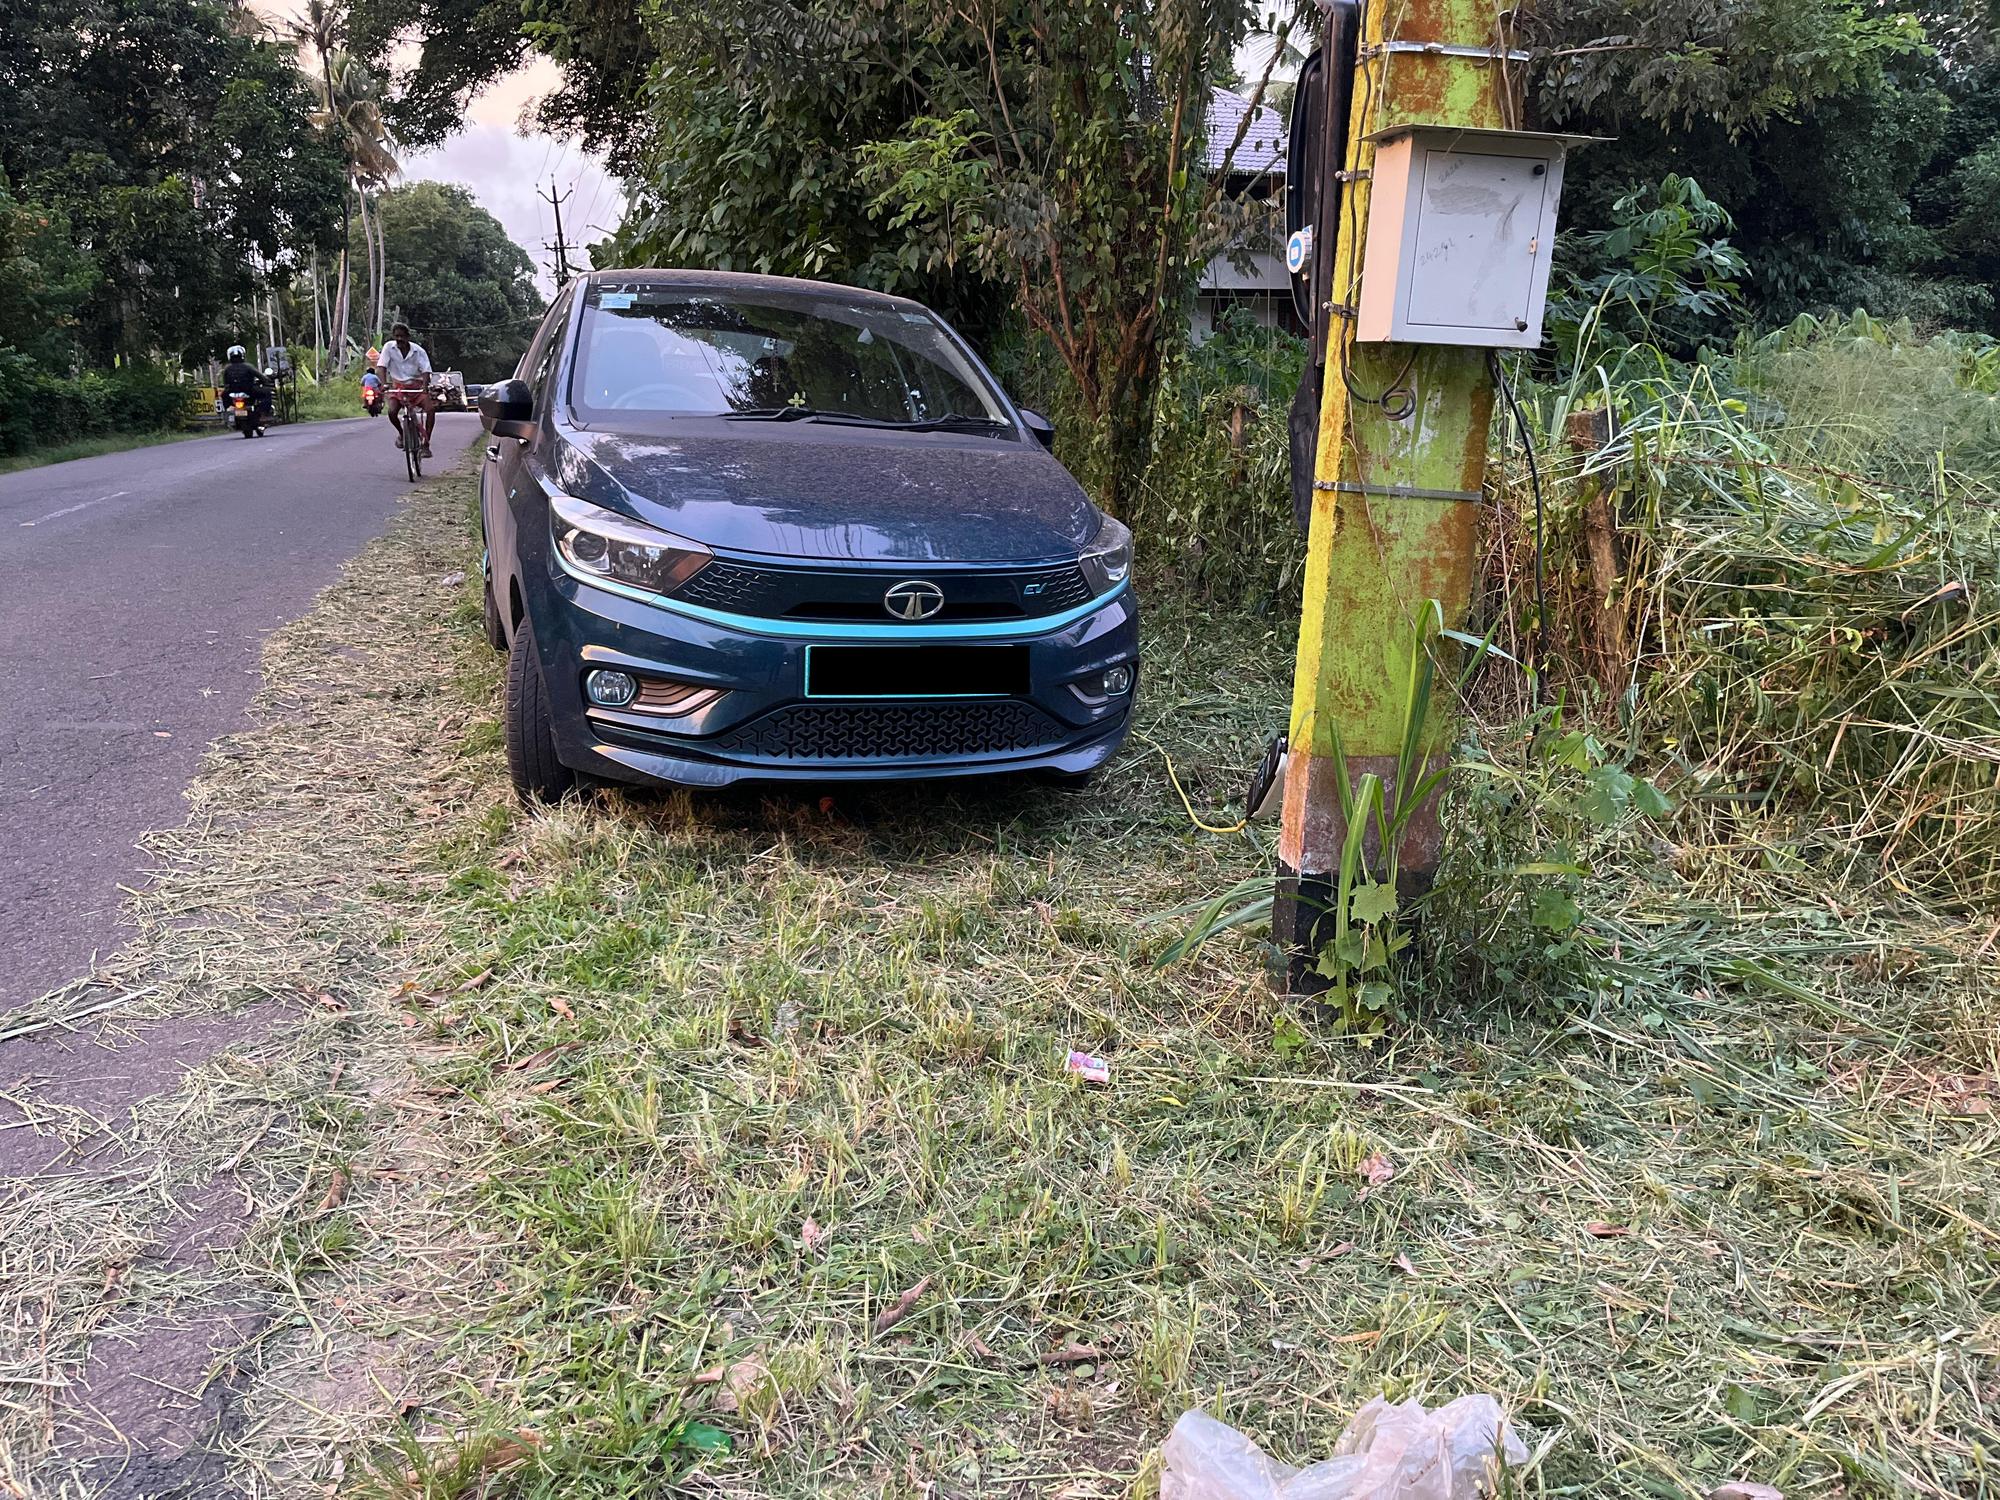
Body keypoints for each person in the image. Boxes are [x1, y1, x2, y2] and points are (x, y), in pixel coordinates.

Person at [377, 323, 436, 458]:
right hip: (398, 387)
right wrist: (384, 384)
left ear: (408, 337)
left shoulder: (418, 351)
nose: (399, 339)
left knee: (430, 410)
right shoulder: (388, 347)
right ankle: (402, 434)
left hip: (416, 386)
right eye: (396, 336)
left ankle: (426, 444)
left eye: (402, 336)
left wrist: (425, 386)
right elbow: (381, 367)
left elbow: (426, 370)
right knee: (392, 412)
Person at [220, 344, 266, 434]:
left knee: (224, 395)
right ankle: (263, 413)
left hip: (232, 392)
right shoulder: (248, 366)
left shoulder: (227, 369)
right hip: (249, 391)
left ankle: (227, 412)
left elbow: (225, 384)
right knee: (266, 393)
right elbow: (261, 377)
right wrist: (265, 381)